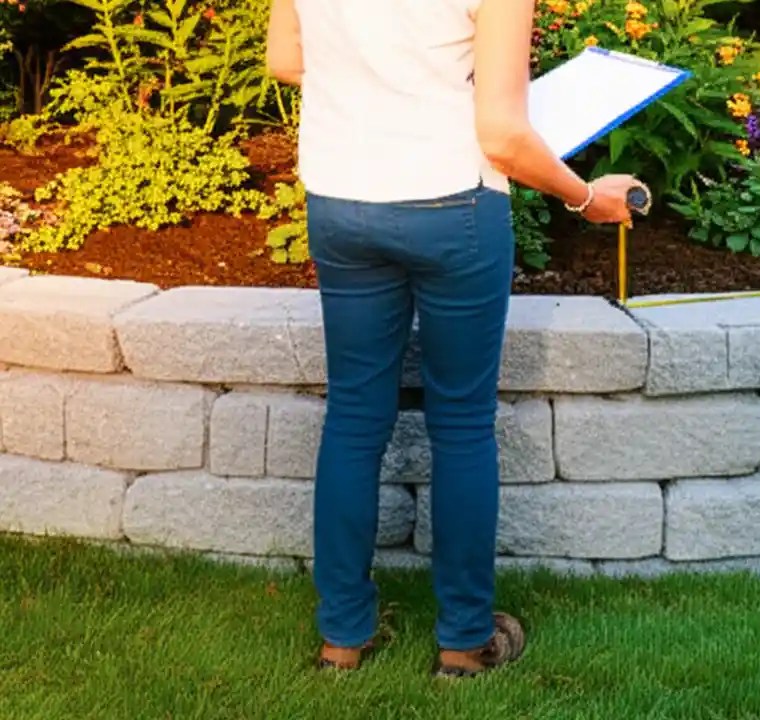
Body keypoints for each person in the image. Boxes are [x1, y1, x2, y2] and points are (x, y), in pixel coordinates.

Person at [266, 0, 639, 678]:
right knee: (462, 425)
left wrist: (377, 83)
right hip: (453, 204)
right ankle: (464, 645)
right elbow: (501, 135)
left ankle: (341, 642)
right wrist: (588, 198)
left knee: (352, 418)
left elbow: (285, 60)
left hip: (341, 201)